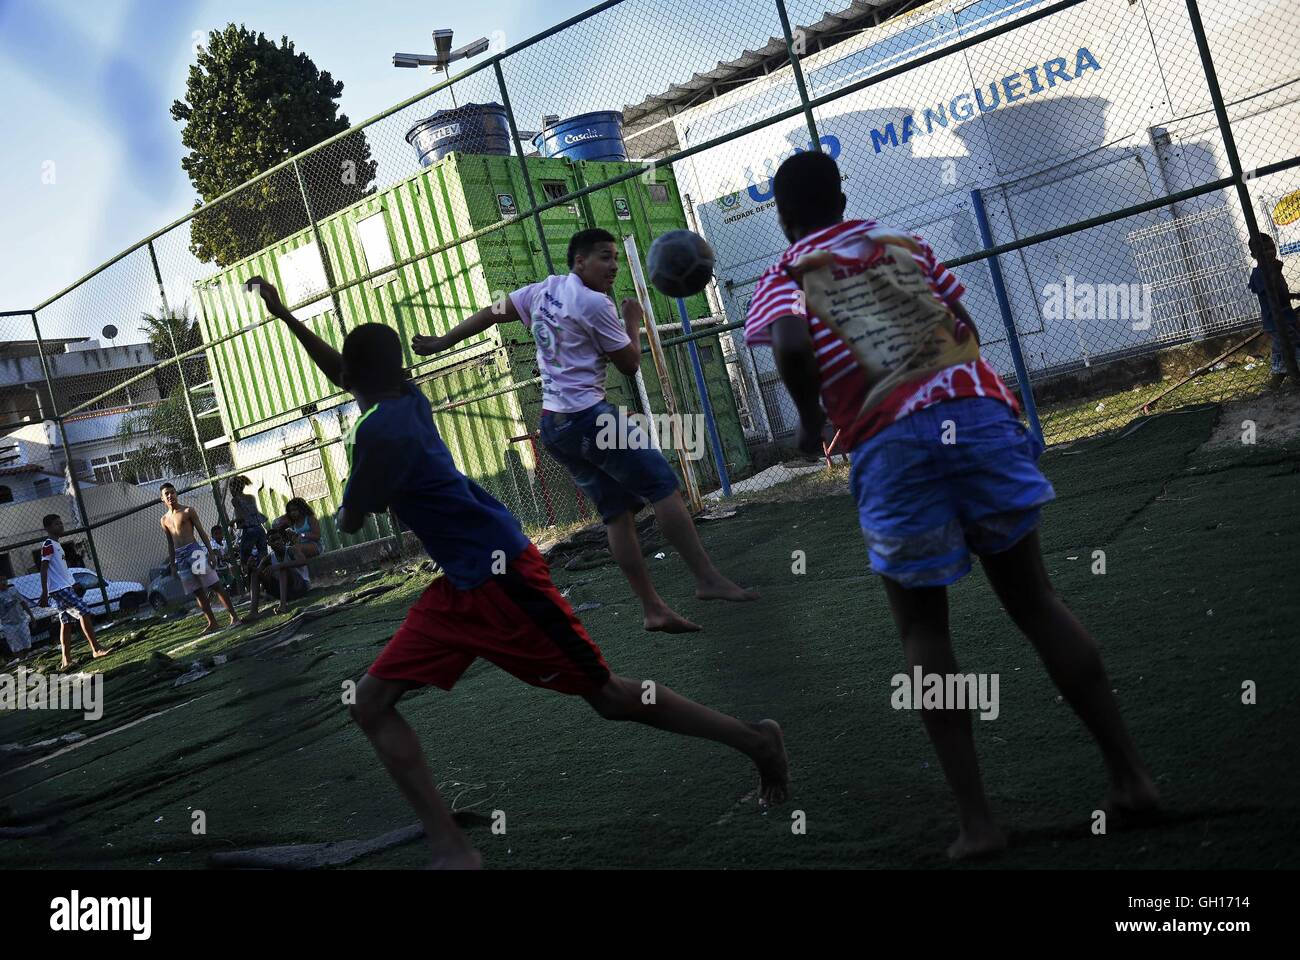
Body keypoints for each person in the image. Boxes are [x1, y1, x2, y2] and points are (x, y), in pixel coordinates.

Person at [245, 273, 789, 868]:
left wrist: (353, 496)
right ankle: (453, 848)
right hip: (461, 584)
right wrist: (285, 316)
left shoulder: (376, 432)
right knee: (370, 702)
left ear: (354, 380)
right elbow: (347, 374)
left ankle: (756, 739)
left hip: (504, 582)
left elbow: (347, 523)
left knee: (607, 696)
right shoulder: (405, 398)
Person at [748, 150, 1157, 859]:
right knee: (1036, 602)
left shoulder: (785, 272)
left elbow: (787, 338)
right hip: (975, 409)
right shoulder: (908, 245)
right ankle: (1132, 780)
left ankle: (978, 824)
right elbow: (959, 316)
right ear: (844, 197)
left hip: (893, 439)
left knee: (925, 636)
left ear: (783, 219)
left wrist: (812, 421)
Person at [412, 228, 756, 634]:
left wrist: (442, 342)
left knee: (617, 512)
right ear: (580, 262)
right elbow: (629, 364)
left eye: (614, 257)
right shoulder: (595, 304)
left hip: (555, 427)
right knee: (663, 487)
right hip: (589, 419)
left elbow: (493, 311)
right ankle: (707, 579)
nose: (613, 265)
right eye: (604, 258)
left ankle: (653, 608)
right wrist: (633, 321)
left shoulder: (542, 291)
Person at [160, 483, 242, 634]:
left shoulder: (187, 511)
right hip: (180, 557)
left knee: (214, 585)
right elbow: (170, 543)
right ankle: (212, 622)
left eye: (172, 492)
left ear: (176, 494)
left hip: (194, 552)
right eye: (167, 494)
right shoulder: (164, 519)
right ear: (162, 498)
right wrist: (172, 564)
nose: (170, 496)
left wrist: (210, 553)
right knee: (197, 591)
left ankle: (234, 617)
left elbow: (202, 532)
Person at [38, 514, 108, 670]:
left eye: (61, 523)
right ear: (48, 528)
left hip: (65, 587)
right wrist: (44, 592)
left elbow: (61, 569)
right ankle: (96, 649)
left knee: (66, 622)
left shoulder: (57, 545)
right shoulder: (48, 544)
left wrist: (73, 583)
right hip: (59, 589)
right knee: (83, 611)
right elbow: (43, 567)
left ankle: (66, 660)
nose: (61, 526)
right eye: (56, 524)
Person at [1247, 233, 1300, 387]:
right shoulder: (1260, 273)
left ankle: (1280, 376)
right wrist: (1276, 271)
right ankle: (1284, 375)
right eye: (1264, 250)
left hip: (1286, 316)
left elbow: (1280, 292)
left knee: (1284, 346)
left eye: (1272, 248)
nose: (1270, 252)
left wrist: (1293, 295)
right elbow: (1270, 292)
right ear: (1254, 255)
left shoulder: (1273, 267)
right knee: (1290, 343)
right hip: (1275, 320)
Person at [247, 528, 311, 618]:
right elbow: (257, 574)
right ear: (268, 543)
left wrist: (280, 565)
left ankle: (283, 606)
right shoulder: (268, 558)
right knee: (255, 574)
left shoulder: (291, 550)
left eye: (278, 539)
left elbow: (303, 561)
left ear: (283, 540)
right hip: (284, 593)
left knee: (283, 568)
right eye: (273, 540)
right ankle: (253, 612)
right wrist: (250, 568)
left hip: (300, 587)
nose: (277, 542)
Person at [227, 474, 269, 577]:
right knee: (262, 552)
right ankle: (264, 572)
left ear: (233, 488)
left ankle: (247, 577)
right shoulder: (251, 497)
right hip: (259, 528)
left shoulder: (236, 500)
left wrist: (232, 522)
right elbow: (253, 512)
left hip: (249, 529)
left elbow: (242, 516)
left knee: (244, 556)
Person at [272, 497, 322, 563]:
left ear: (301, 509)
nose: (292, 513)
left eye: (295, 510)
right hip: (300, 546)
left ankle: (302, 567)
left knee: (296, 549)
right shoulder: (293, 523)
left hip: (315, 546)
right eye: (290, 511)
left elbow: (317, 536)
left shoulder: (310, 519)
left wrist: (302, 535)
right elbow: (276, 524)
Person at [0, 575, 37, 657]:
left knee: (27, 645)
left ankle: (26, 659)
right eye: (0, 581)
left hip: (21, 621)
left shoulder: (13, 590)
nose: (3, 582)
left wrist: (32, 617)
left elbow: (23, 603)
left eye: (4, 580)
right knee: (16, 648)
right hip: (8, 625)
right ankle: (21, 664)